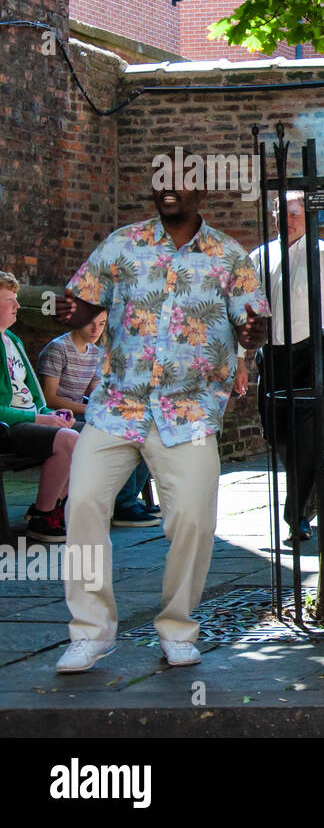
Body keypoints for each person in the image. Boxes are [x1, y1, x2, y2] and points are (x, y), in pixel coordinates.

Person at [52, 183, 269, 674]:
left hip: (188, 411)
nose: (168, 187)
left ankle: (177, 626)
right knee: (84, 502)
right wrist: (73, 309)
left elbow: (254, 324)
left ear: (202, 191)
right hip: (116, 405)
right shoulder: (121, 244)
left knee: (193, 518)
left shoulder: (228, 255)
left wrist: (255, 334)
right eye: (160, 177)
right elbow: (81, 304)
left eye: (181, 178)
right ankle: (90, 632)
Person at [236, 190, 324, 544]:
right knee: (276, 433)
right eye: (282, 212)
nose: (288, 219)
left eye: (295, 213)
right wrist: (240, 360)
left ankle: (297, 516)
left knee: (307, 435)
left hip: (313, 350)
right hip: (273, 354)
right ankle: (311, 494)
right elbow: (245, 311)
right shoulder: (258, 257)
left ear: (307, 216)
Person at [38, 312, 162, 528]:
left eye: (102, 324)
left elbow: (95, 392)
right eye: (90, 323)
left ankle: (129, 499)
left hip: (82, 411)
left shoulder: (94, 352)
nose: (96, 330)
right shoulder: (58, 349)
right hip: (58, 415)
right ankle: (123, 505)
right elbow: (49, 398)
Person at [0, 271, 77, 543]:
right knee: (69, 440)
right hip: (8, 426)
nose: (17, 306)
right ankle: (42, 517)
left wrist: (50, 414)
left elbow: (34, 393)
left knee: (94, 435)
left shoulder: (13, 341)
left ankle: (59, 508)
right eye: (9, 299)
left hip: (30, 418)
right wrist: (39, 418)